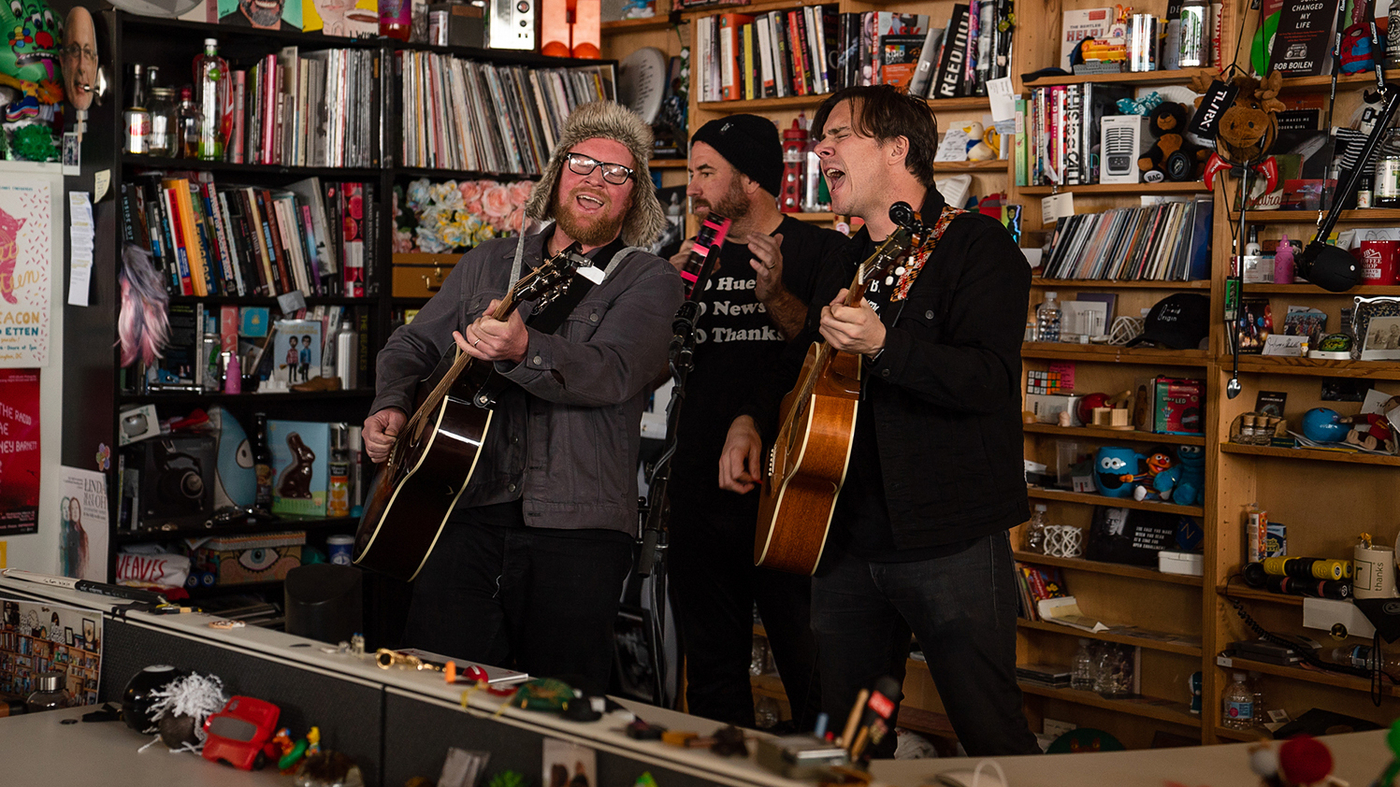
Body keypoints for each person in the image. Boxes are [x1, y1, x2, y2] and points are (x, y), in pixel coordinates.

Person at [718, 85, 1039, 756]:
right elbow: (806, 366)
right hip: (842, 533)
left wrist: (886, 345)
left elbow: (988, 379)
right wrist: (749, 418)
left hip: (947, 536)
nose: (821, 149)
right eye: (821, 138)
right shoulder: (844, 257)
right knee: (851, 739)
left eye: (839, 135)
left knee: (990, 729)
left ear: (898, 148)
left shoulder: (978, 247)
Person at [363, 101, 683, 691]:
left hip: (576, 533)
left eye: (617, 173)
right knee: (443, 695)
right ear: (557, 175)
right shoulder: (488, 262)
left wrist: (524, 347)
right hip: (461, 512)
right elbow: (412, 344)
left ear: (634, 197)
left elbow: (613, 372)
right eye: (582, 164)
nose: (596, 181)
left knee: (559, 706)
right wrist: (392, 404)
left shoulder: (651, 280)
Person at [664, 114, 847, 730]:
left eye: (706, 172)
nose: (693, 187)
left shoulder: (821, 251)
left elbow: (825, 357)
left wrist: (774, 295)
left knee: (810, 666)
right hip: (699, 484)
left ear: (750, 179)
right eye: (692, 172)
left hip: (790, 487)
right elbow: (658, 363)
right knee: (712, 673)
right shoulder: (690, 259)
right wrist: (666, 294)